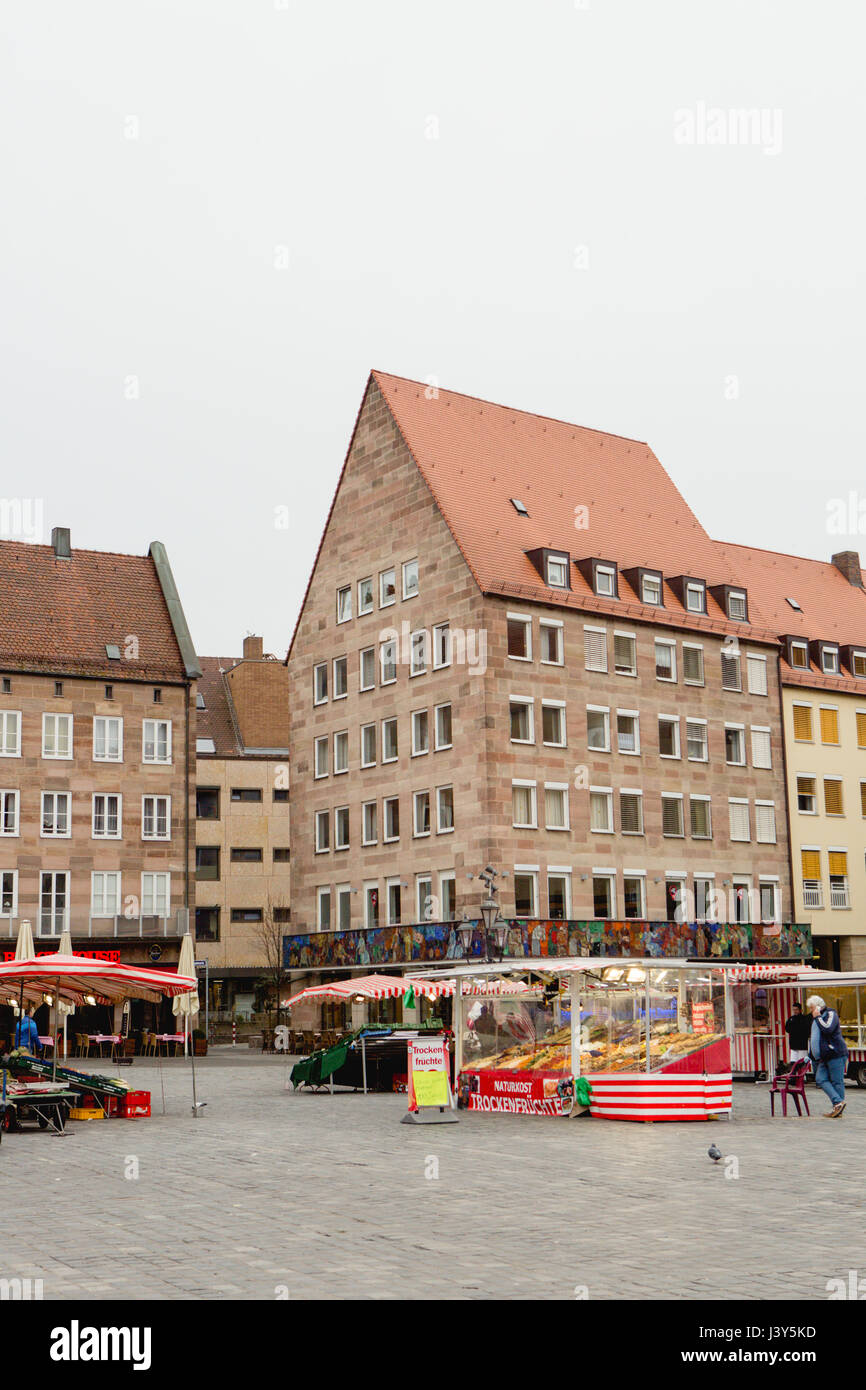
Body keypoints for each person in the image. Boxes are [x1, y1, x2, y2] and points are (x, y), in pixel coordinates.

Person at [806, 995, 848, 1118]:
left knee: (837, 1081)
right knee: (820, 1079)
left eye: (812, 1008)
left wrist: (818, 1017)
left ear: (818, 1006)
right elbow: (815, 1037)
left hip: (835, 1053)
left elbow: (828, 1029)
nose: (810, 1010)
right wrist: (811, 1055)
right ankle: (838, 1102)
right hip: (824, 1056)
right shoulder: (815, 1018)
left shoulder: (831, 1014)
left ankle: (838, 1106)